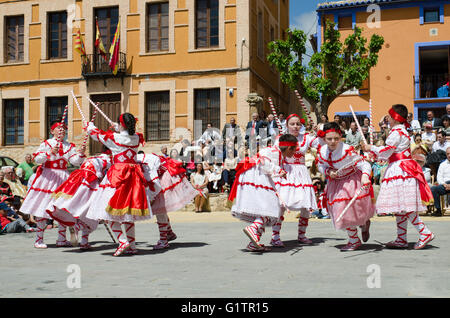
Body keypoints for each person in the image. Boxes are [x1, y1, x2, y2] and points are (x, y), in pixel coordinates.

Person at [362, 104, 435, 249]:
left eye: (389, 116)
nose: (387, 118)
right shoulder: (400, 131)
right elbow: (390, 153)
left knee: (404, 206)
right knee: (400, 207)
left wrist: (372, 148)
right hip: (402, 167)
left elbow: (387, 150)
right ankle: (401, 238)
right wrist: (376, 154)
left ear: (395, 117)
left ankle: (425, 232)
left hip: (400, 170)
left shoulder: (396, 132)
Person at [85, 113, 153, 256]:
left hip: (118, 174)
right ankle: (132, 245)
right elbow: (126, 135)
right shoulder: (136, 138)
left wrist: (90, 126)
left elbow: (96, 135)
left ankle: (122, 241)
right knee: (128, 213)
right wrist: (120, 128)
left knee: (106, 212)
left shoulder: (115, 138)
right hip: (134, 175)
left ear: (121, 124)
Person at [20, 119, 86, 249]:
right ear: (52, 131)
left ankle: (61, 239)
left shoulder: (69, 146)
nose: (62, 130)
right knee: (43, 206)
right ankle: (39, 239)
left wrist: (81, 153)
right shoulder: (47, 143)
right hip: (48, 176)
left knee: (62, 207)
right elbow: (37, 159)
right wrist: (50, 153)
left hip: (63, 176)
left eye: (64, 128)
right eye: (59, 128)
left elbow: (75, 161)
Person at [229, 134, 297, 252]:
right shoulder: (272, 151)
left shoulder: (277, 153)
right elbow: (263, 163)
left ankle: (253, 243)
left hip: (255, 176)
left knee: (264, 209)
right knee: (271, 208)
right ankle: (253, 228)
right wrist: (278, 170)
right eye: (294, 150)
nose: (294, 153)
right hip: (255, 176)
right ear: (289, 148)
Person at [317, 122, 374, 252]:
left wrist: (365, 176)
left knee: (351, 209)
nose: (332, 142)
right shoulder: (322, 151)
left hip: (351, 180)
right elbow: (321, 165)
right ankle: (354, 238)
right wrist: (328, 172)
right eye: (329, 139)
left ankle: (363, 226)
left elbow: (364, 164)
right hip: (335, 182)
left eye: (336, 138)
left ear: (340, 137)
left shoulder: (347, 150)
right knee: (340, 210)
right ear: (324, 138)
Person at [271, 114, 324, 247]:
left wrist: (320, 133)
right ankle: (275, 236)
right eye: (292, 124)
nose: (295, 127)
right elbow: (275, 154)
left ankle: (302, 235)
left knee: (306, 204)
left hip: (301, 172)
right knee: (281, 204)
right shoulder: (280, 138)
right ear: (287, 125)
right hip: (285, 172)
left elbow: (322, 143)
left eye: (298, 124)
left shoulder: (306, 138)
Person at [46, 149, 112, 250]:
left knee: (81, 210)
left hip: (78, 180)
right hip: (91, 183)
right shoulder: (108, 161)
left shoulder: (91, 159)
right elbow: (104, 177)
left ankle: (84, 242)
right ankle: (79, 230)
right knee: (92, 215)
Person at [143, 152, 197, 249]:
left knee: (159, 209)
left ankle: (163, 240)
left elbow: (153, 180)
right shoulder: (142, 159)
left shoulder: (142, 164)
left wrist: (151, 197)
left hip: (164, 178)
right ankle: (169, 233)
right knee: (161, 208)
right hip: (165, 175)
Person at [429, 147, 450, 217]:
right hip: (445, 185)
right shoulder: (442, 165)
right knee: (434, 189)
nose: (449, 155)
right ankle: (438, 210)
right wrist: (444, 184)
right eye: (448, 154)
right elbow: (439, 177)